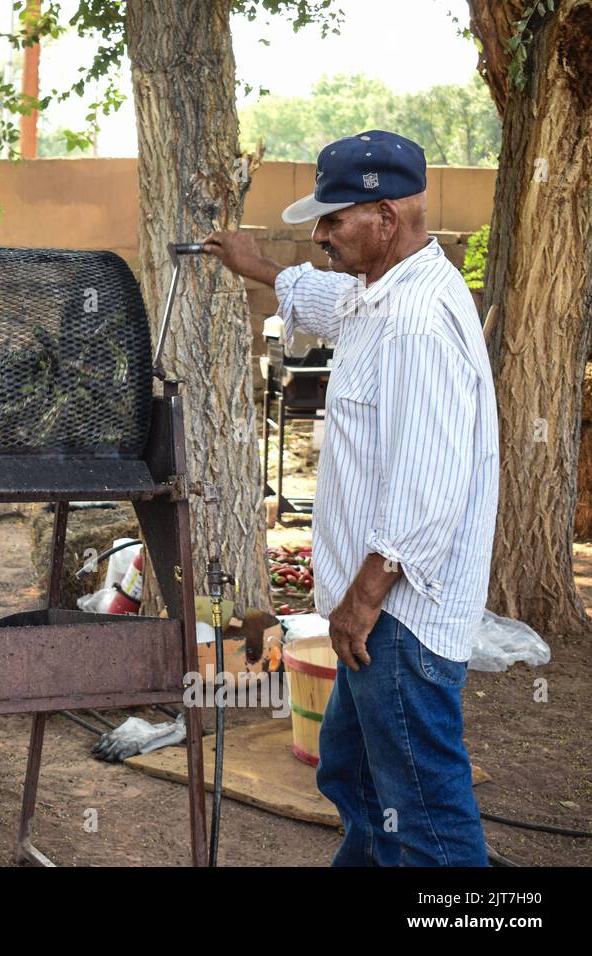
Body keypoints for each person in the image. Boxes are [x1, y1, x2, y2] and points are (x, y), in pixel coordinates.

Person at [203, 130, 499, 866]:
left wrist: (363, 601)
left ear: (386, 220)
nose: (321, 235)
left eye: (333, 221)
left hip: (397, 613)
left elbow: (427, 488)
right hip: (373, 611)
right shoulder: (383, 290)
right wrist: (261, 268)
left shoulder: (418, 322)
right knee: (354, 777)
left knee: (424, 814)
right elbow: (333, 299)